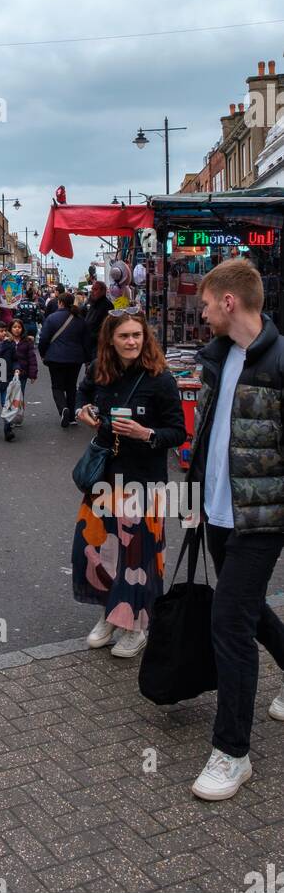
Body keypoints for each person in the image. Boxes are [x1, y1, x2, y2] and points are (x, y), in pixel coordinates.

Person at [184, 258, 284, 801]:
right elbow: (209, 439)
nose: (200, 314)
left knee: (229, 624)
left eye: (204, 303)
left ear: (229, 301)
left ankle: (233, 753)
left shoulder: (280, 359)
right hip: (219, 512)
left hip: (261, 521)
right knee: (245, 610)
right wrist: (195, 497)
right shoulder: (217, 358)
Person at [73, 310, 185, 659]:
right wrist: (83, 412)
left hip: (144, 481)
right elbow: (82, 395)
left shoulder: (160, 378)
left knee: (137, 556)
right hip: (105, 476)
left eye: (137, 335)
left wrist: (146, 433)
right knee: (99, 549)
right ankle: (110, 615)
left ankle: (136, 625)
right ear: (111, 340)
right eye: (125, 336)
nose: (132, 342)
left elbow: (178, 431)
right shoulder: (99, 371)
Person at [37, 292, 90, 426]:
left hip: (55, 357)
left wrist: (43, 353)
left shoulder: (52, 318)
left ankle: (63, 409)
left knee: (57, 386)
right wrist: (87, 358)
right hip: (75, 358)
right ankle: (72, 416)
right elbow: (86, 340)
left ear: (60, 303)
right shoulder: (80, 319)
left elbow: (43, 339)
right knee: (72, 387)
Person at [84, 280, 114, 365]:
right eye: (92, 289)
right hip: (90, 344)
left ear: (103, 291)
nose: (92, 292)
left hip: (98, 344)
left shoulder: (107, 305)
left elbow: (107, 327)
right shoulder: (92, 303)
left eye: (95, 289)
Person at [10, 317, 38, 396]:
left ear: (22, 329)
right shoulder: (7, 341)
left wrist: (33, 374)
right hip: (9, 372)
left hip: (23, 372)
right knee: (9, 395)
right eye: (14, 327)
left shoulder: (27, 341)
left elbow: (32, 358)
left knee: (20, 395)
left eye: (19, 327)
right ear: (10, 329)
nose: (17, 329)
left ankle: (18, 408)